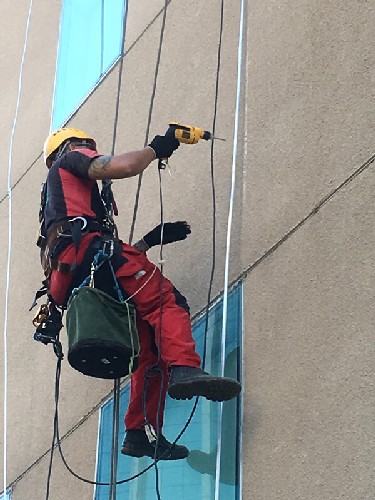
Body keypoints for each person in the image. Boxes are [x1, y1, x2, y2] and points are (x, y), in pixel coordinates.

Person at [38, 127, 241, 460]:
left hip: (77, 273)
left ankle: (140, 433)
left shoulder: (55, 204)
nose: (90, 149)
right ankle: (186, 368)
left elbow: (95, 258)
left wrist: (150, 241)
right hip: (92, 254)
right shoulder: (71, 159)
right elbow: (126, 166)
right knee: (167, 302)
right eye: (89, 145)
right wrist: (155, 148)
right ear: (74, 146)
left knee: (147, 350)